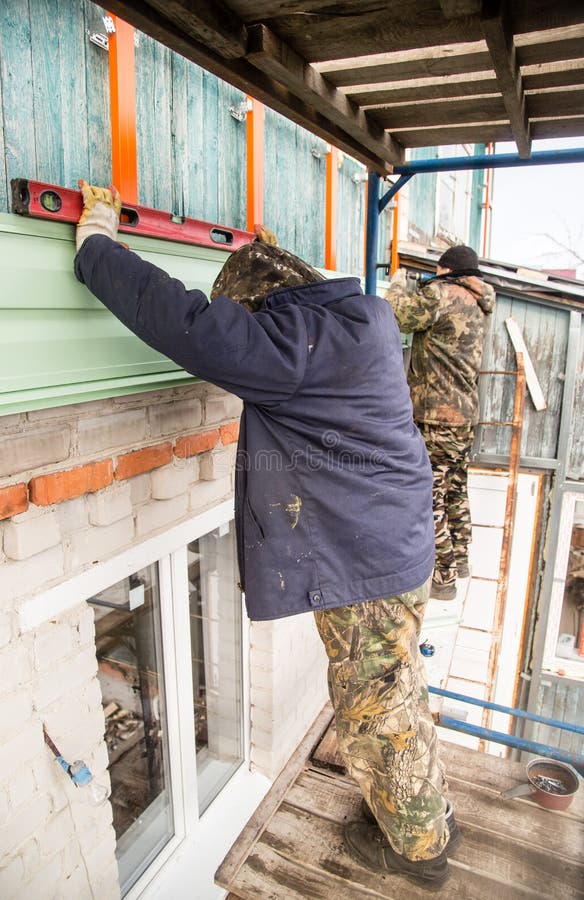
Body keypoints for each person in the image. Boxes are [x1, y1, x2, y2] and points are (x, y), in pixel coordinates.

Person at [74, 181, 456, 889]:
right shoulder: (356, 321)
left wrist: (98, 247)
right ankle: (413, 805)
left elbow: (189, 326)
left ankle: (421, 845)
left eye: (251, 315)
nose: (250, 328)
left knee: (374, 705)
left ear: (272, 308)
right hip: (393, 543)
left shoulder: (299, 345)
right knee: (395, 690)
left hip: (370, 561)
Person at [387, 246, 495, 601]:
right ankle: (460, 558)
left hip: (435, 416)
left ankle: (444, 578)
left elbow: (397, 314)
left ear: (446, 268)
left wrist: (399, 283)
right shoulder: (479, 302)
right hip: (464, 417)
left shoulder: (442, 294)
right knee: (455, 489)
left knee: (428, 495)